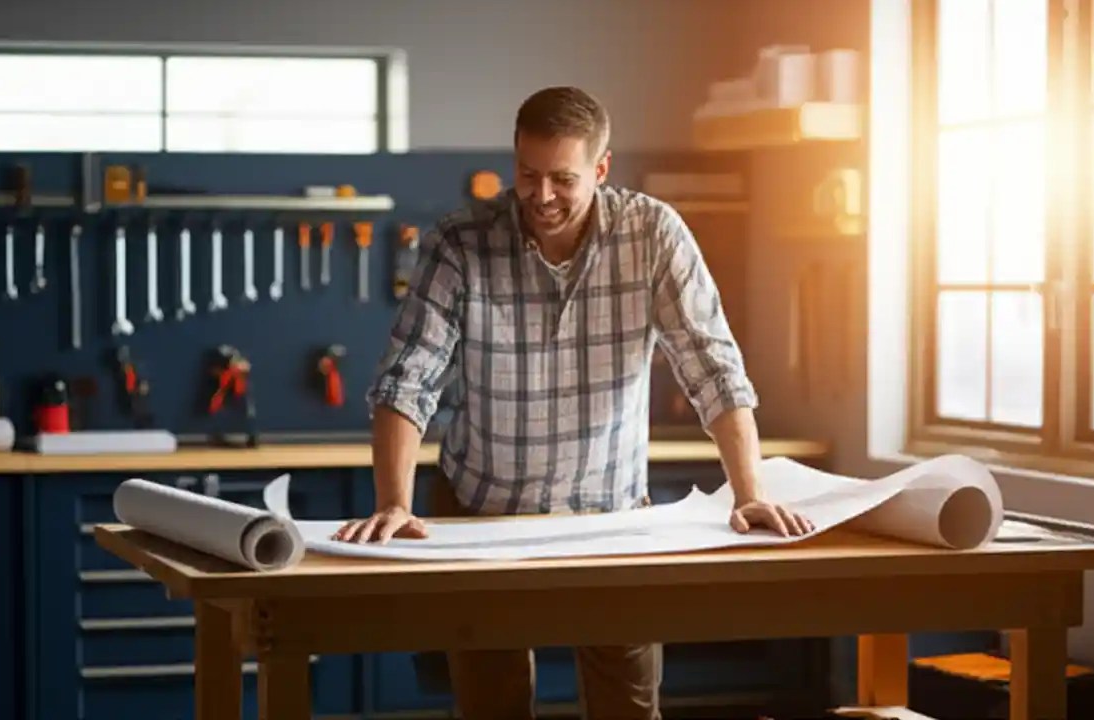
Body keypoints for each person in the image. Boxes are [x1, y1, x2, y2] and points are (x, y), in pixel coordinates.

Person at [333, 86, 815, 720]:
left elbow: (713, 367)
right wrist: (394, 503)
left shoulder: (653, 234)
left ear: (602, 168)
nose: (542, 196)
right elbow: (407, 378)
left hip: (610, 516)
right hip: (481, 512)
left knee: (629, 703)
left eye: (563, 178)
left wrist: (748, 492)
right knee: (490, 707)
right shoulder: (461, 242)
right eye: (529, 175)